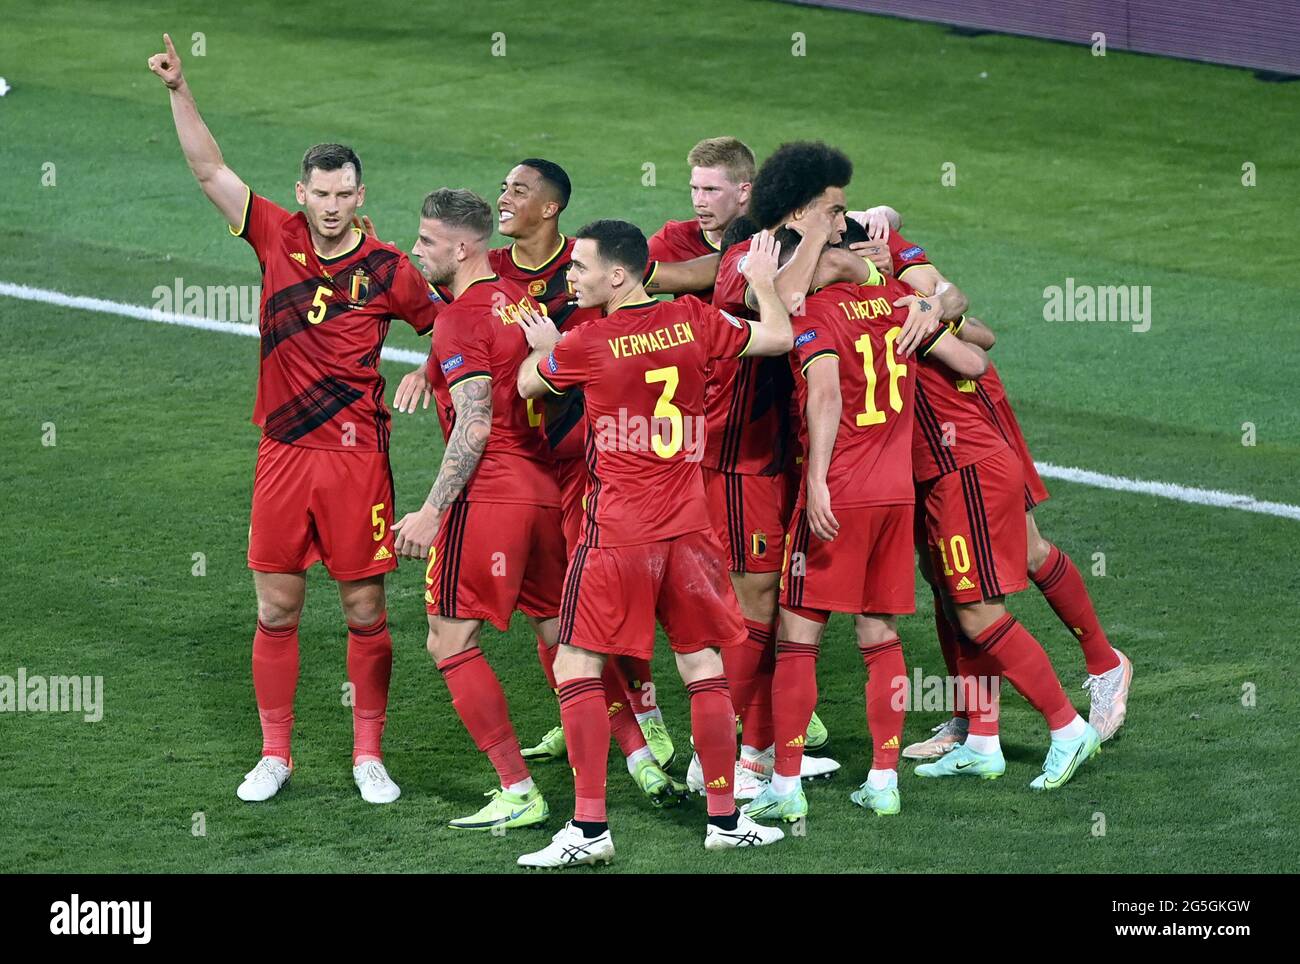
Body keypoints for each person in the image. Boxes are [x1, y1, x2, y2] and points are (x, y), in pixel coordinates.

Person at [148, 33, 441, 804]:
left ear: (360, 196)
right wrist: (181, 90)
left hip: (355, 459)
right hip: (282, 454)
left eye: (346, 193)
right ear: (302, 193)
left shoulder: (390, 270)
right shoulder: (275, 235)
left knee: (364, 607)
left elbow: (453, 329)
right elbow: (208, 168)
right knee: (277, 606)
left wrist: (435, 367)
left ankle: (367, 756)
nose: (334, 205)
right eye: (322, 193)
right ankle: (275, 754)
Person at [513, 223, 795, 866]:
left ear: (619, 276)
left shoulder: (588, 342)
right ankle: (725, 819)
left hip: (617, 532)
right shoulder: (693, 319)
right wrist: (761, 284)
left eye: (580, 267)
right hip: (691, 530)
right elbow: (777, 336)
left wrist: (546, 345)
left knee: (575, 668)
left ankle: (589, 831)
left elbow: (531, 383)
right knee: (703, 668)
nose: (570, 277)